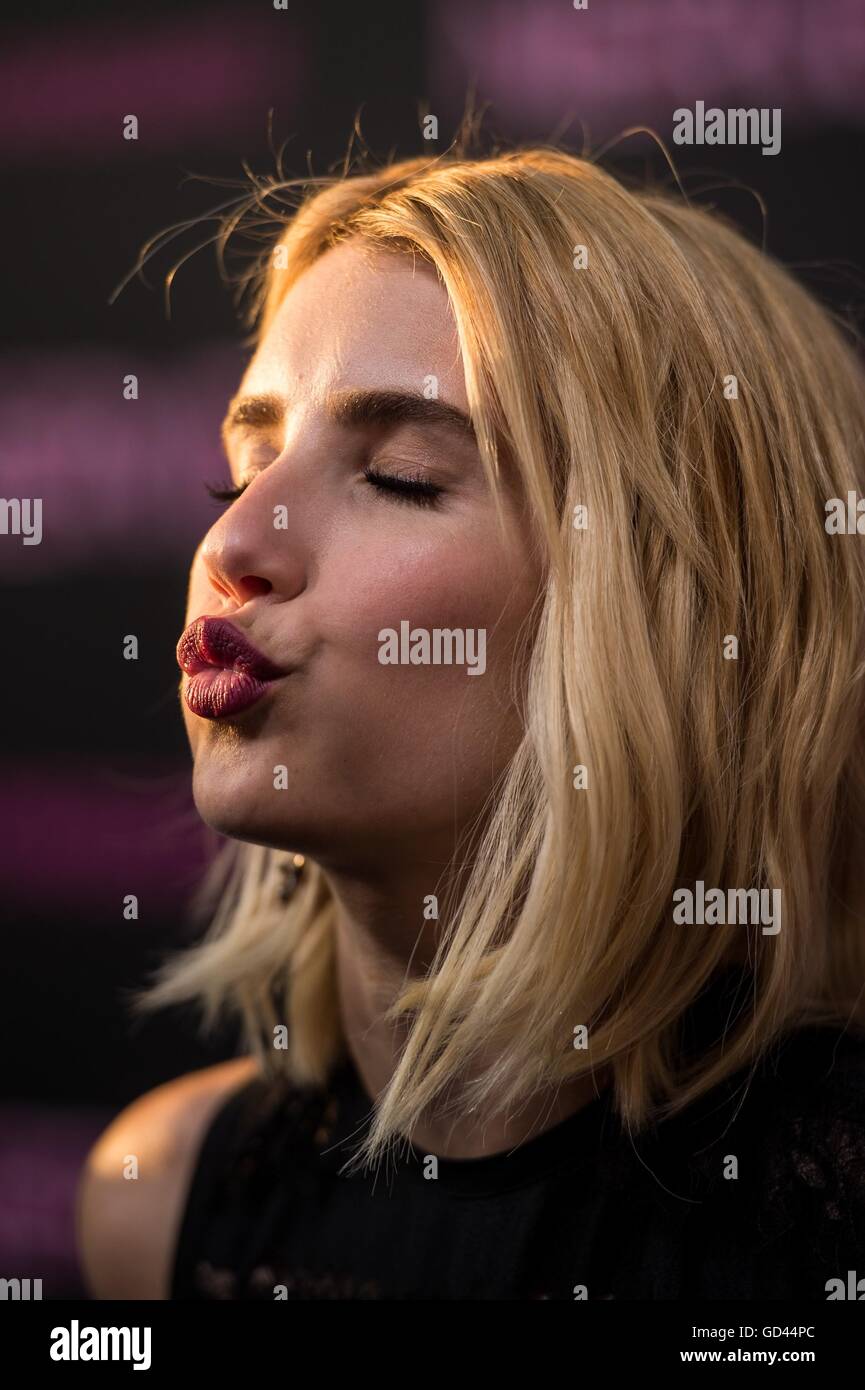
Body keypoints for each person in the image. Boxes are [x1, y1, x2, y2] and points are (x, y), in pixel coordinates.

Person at [77, 144, 865, 1300]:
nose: (233, 547)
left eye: (398, 474)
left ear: (675, 613)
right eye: (240, 470)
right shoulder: (155, 1197)